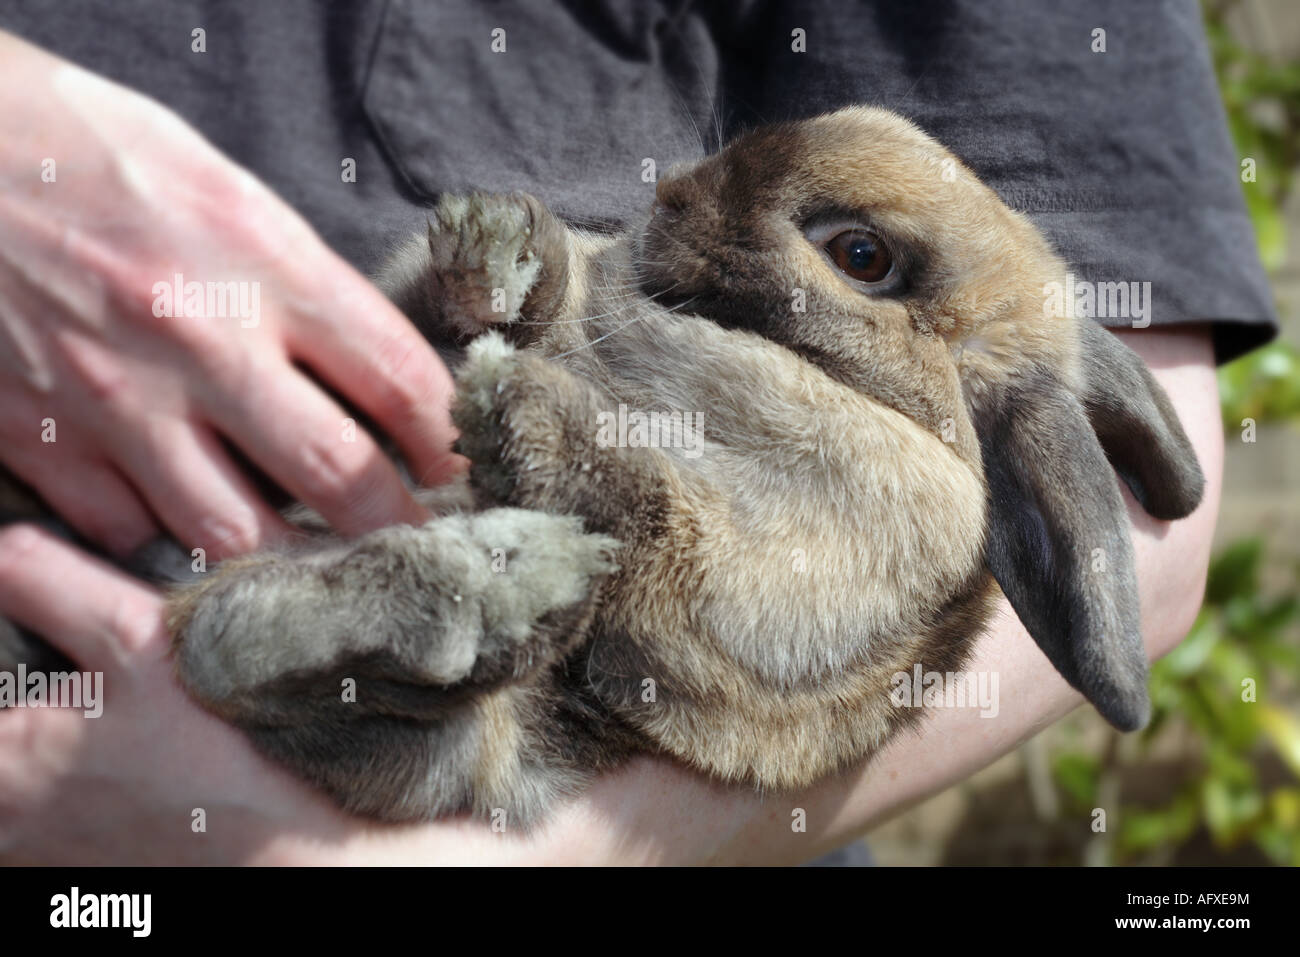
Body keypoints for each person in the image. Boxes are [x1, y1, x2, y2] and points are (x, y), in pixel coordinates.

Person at [0, 0, 1274, 864]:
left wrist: (473, 859)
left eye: (856, 255)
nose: (673, 192)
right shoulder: (636, 286)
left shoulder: (917, 461)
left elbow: (1151, 527)